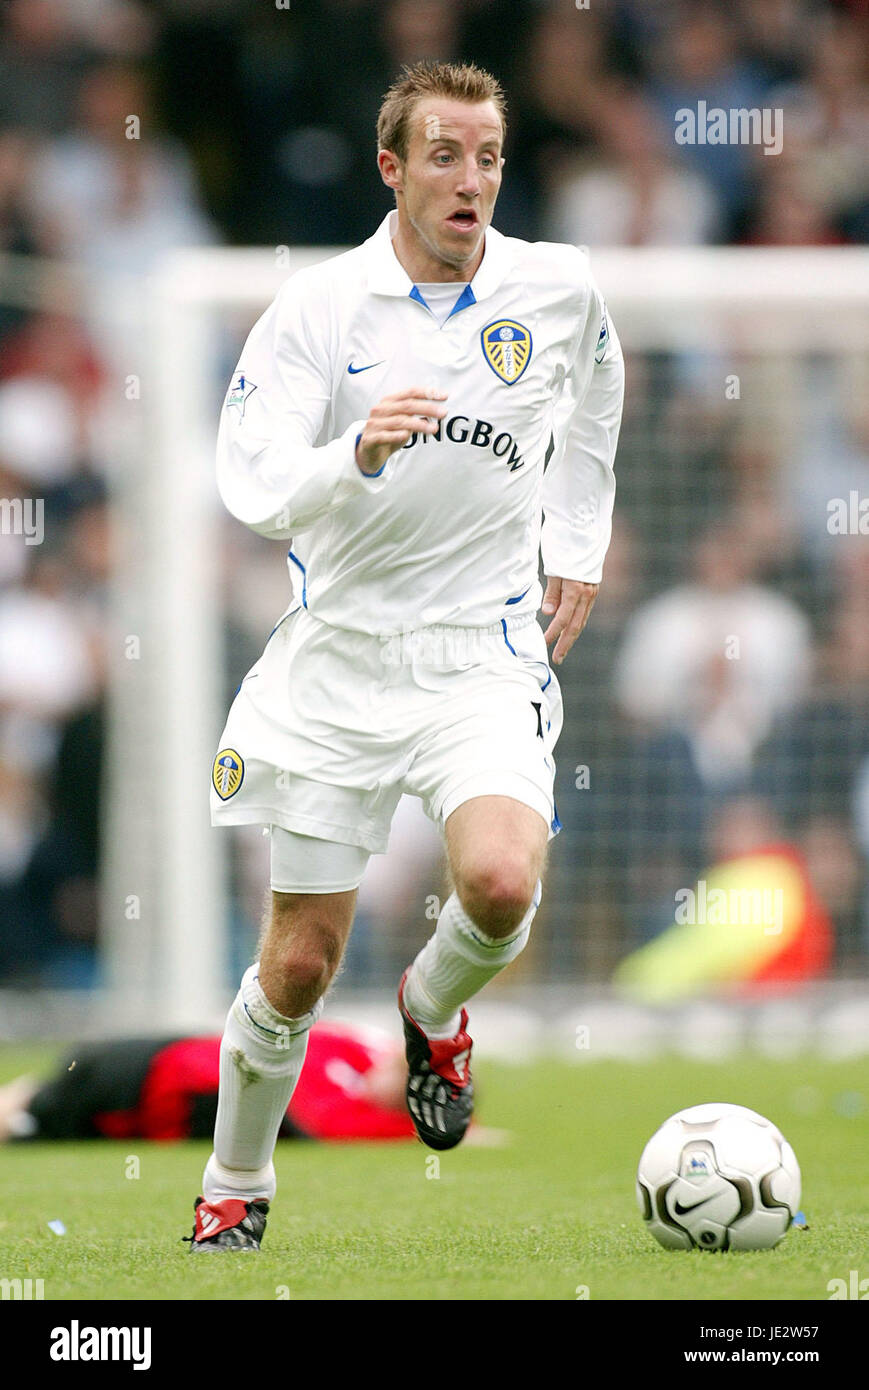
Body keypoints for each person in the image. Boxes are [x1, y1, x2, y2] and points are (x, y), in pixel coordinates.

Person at [193, 60, 623, 1252]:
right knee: (296, 963)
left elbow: (596, 393)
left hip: (480, 650)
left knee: (496, 881)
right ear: (391, 168)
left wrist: (573, 542)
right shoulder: (318, 312)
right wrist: (354, 456)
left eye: (486, 157)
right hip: (338, 660)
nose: (469, 179)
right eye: (443, 155)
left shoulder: (555, 288)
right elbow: (252, 481)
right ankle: (235, 1185)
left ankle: (431, 1011)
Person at [0, 1022, 417, 1145]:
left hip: (151, 1091)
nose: (394, 1063)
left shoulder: (356, 1118)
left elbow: (439, 1134)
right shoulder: (357, 1056)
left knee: (34, 1117)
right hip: (169, 1048)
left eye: (404, 1073)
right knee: (39, 1094)